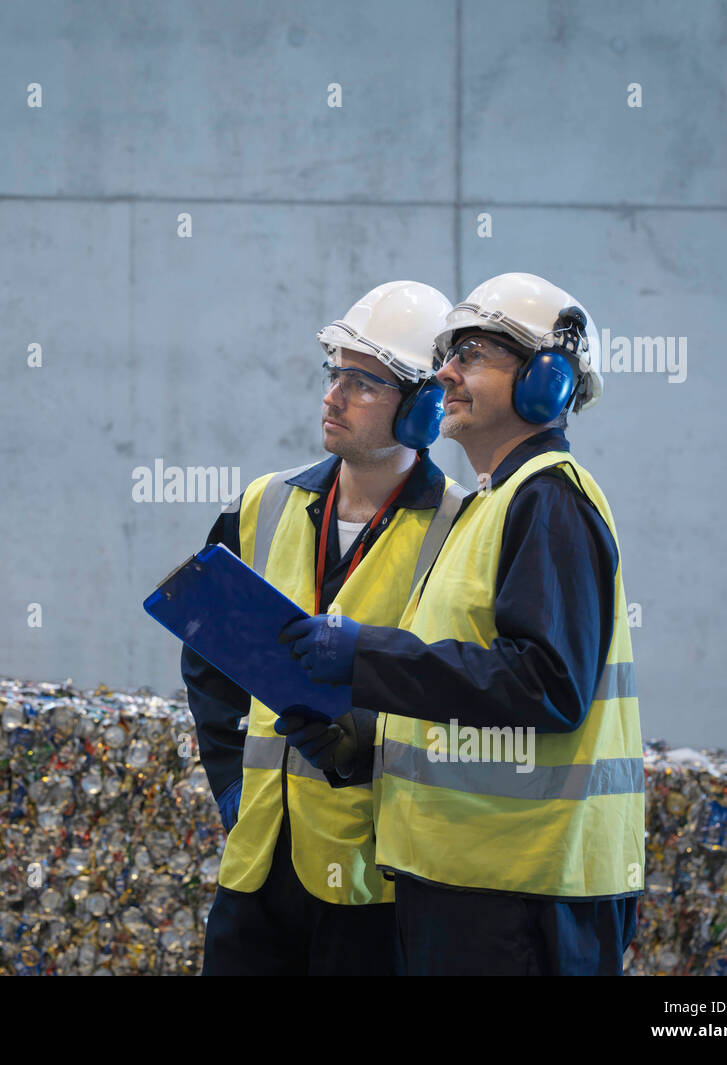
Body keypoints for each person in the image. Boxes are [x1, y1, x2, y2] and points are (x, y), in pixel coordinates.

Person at [279, 272, 644, 975]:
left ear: (548, 382)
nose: (444, 372)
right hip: (471, 883)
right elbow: (468, 690)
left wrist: (364, 657)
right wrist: (365, 741)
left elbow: (545, 683)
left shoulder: (549, 500)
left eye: (471, 354)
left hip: (523, 894)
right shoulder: (490, 505)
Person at [180, 280, 466, 975]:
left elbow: (465, 695)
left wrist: (369, 737)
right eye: (333, 371)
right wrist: (231, 788)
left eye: (362, 380)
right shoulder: (263, 504)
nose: (333, 395)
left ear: (423, 406)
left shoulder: (462, 532)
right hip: (255, 868)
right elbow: (209, 666)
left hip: (373, 881)